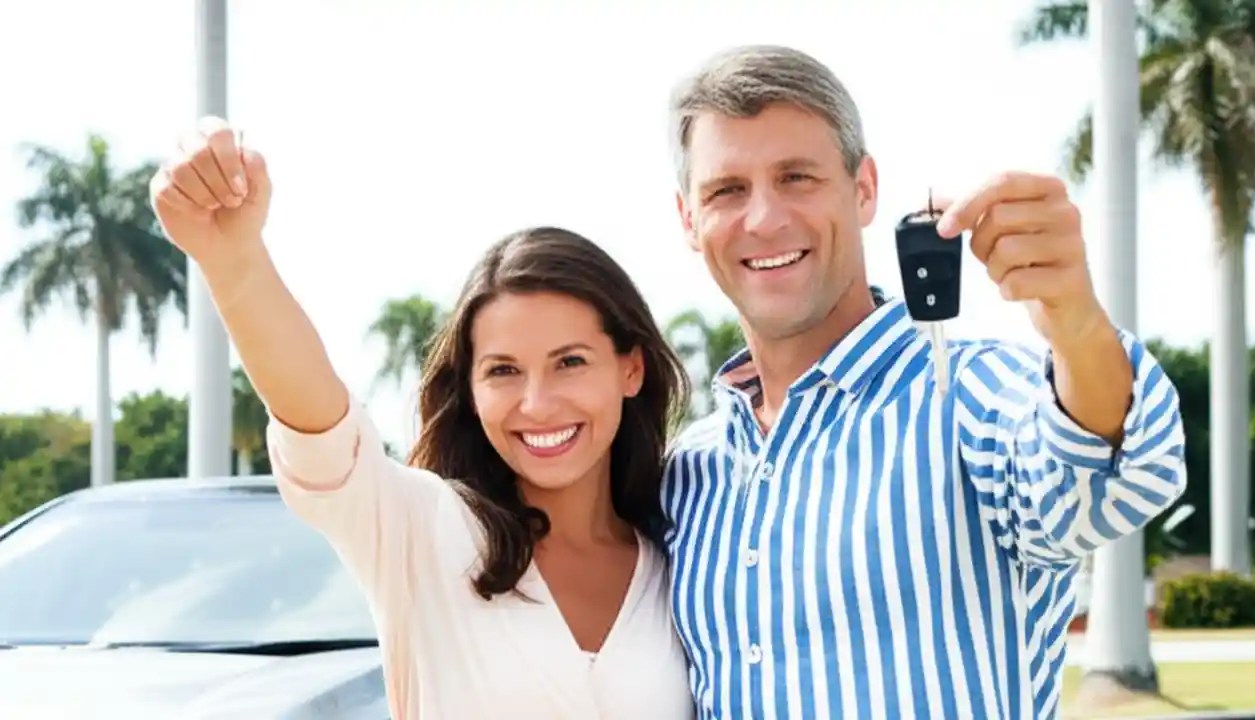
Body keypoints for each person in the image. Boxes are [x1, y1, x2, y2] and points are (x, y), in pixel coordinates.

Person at [659, 45, 1188, 719]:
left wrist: (1075, 321)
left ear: (865, 189)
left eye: (797, 177)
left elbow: (1111, 476)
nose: (763, 218)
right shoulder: (684, 473)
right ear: (687, 220)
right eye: (727, 190)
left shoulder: (971, 396)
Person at [149, 120, 696, 719]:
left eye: (570, 362)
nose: (537, 403)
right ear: (469, 390)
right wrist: (233, 261)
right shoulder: (422, 529)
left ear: (631, 370)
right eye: (503, 371)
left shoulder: (683, 560)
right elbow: (321, 424)